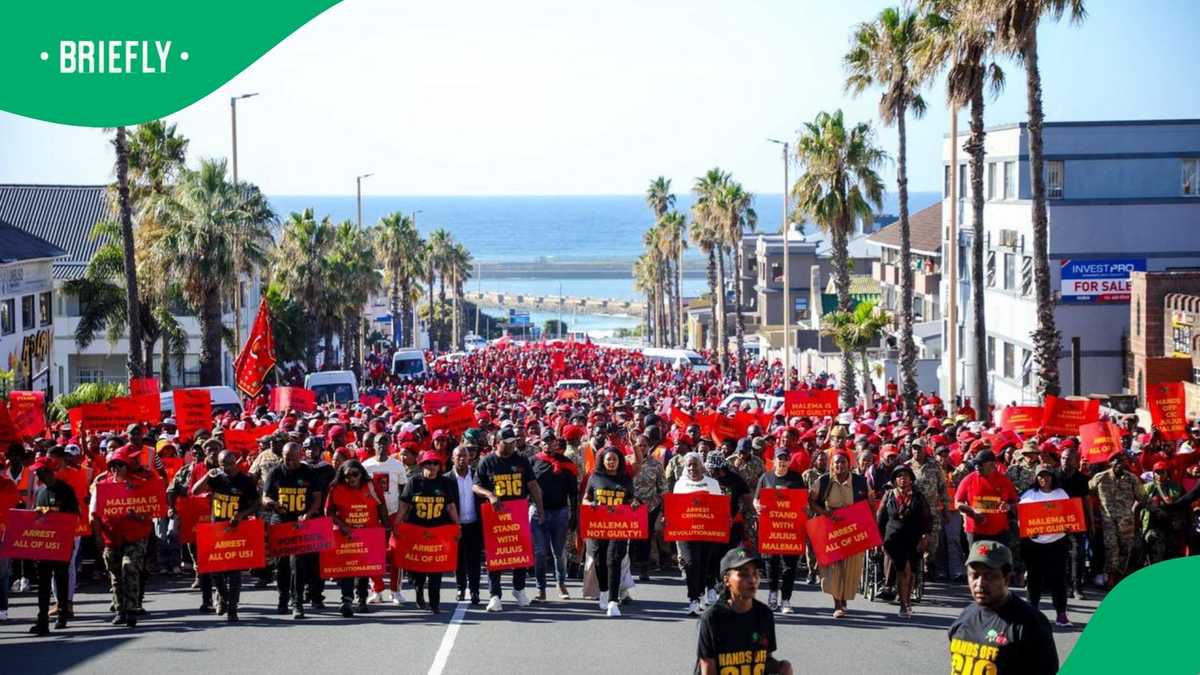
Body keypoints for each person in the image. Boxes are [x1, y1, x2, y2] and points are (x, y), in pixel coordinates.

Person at [948, 541, 1059, 674]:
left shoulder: (1030, 623)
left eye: (989, 576)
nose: (979, 584)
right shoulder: (965, 618)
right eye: (974, 575)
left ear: (1007, 579)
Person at [472, 426, 545, 611]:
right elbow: (475, 486)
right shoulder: (486, 462)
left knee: (519, 553)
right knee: (495, 555)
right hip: (495, 516)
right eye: (508, 443)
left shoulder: (521, 461)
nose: (512, 446)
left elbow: (533, 485)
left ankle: (519, 589)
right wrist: (490, 495)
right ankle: (495, 594)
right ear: (497, 443)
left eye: (514, 443)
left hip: (517, 513)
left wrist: (540, 509)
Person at [695, 547, 793, 675]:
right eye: (744, 574)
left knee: (785, 666)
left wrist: (782, 668)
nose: (752, 580)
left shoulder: (764, 614)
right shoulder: (712, 618)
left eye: (755, 573)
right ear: (726, 579)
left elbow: (765, 659)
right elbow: (708, 669)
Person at [190, 450, 259, 623]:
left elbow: (257, 503)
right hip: (217, 529)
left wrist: (242, 514)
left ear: (235, 462)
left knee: (235, 573)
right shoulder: (216, 477)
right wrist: (208, 475)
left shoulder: (245, 481)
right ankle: (222, 594)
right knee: (215, 570)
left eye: (229, 464)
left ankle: (232, 609)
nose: (226, 468)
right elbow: (195, 490)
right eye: (222, 465)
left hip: (237, 530)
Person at [92, 446, 156, 628]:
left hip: (136, 535)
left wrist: (139, 515)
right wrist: (97, 536)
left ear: (127, 466)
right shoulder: (102, 486)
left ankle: (131, 609)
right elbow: (95, 513)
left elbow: (151, 510)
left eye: (120, 465)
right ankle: (120, 610)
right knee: (115, 574)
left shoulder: (140, 484)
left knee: (129, 567)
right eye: (113, 465)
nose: (116, 469)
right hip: (112, 537)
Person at [262, 442, 323, 619]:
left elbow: (317, 498)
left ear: (300, 456)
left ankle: (297, 603)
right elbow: (265, 496)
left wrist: (309, 514)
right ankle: (283, 597)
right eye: (286, 459)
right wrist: (271, 504)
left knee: (297, 563)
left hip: (300, 523)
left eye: (293, 459)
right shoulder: (276, 472)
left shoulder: (309, 473)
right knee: (281, 564)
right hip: (280, 522)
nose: (289, 462)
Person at [810, 452, 870, 618]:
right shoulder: (823, 481)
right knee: (834, 567)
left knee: (851, 567)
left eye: (843, 462)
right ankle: (837, 604)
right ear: (832, 464)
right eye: (836, 463)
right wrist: (826, 513)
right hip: (831, 527)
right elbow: (811, 501)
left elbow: (869, 502)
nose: (839, 466)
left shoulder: (860, 481)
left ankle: (843, 598)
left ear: (849, 464)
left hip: (853, 528)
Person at [398, 451, 460, 613]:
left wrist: (457, 525)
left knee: (436, 568)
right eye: (428, 463)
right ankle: (419, 592)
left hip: (438, 531)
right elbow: (404, 505)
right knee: (418, 570)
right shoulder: (414, 482)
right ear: (422, 465)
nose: (432, 467)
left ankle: (435, 603)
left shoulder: (445, 482)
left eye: (435, 464)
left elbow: (450, 506)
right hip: (417, 530)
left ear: (439, 466)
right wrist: (397, 523)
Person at [327, 459, 387, 616]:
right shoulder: (336, 488)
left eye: (355, 474)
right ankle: (346, 600)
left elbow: (381, 505)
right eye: (347, 476)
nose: (351, 478)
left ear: (362, 474)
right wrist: (343, 526)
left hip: (368, 534)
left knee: (363, 569)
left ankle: (362, 600)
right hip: (346, 535)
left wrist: (387, 526)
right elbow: (329, 512)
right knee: (347, 568)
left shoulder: (371, 485)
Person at [582, 446, 637, 617]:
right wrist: (588, 504)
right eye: (608, 460)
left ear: (619, 461)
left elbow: (631, 498)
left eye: (614, 459)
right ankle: (604, 592)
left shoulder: (625, 479)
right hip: (598, 527)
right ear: (602, 461)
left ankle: (613, 601)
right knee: (599, 560)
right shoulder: (595, 477)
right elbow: (586, 498)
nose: (611, 462)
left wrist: (635, 503)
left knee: (614, 560)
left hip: (618, 527)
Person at [28, 457, 79, 636]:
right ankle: (42, 619)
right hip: (43, 544)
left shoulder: (65, 490)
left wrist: (53, 514)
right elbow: (35, 515)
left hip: (62, 542)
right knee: (43, 583)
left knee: (61, 578)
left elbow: (73, 515)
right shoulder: (40, 491)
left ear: (49, 471)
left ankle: (62, 614)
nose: (37, 474)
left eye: (40, 471)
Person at [1017, 465, 1072, 628]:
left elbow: (1070, 514)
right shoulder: (1029, 496)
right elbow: (1022, 520)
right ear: (1036, 478)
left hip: (1057, 542)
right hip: (1035, 544)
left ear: (1053, 477)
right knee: (1034, 579)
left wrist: (1068, 526)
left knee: (1059, 579)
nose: (1044, 479)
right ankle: (1032, 613)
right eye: (1040, 476)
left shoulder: (1061, 494)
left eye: (1047, 475)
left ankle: (1061, 613)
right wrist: (1027, 530)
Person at [754, 448, 806, 613]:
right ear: (774, 461)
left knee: (790, 566)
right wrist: (758, 507)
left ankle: (786, 599)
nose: (782, 462)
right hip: (771, 528)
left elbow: (803, 503)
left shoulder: (796, 479)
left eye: (785, 459)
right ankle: (772, 593)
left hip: (790, 529)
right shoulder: (766, 477)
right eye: (779, 459)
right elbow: (756, 500)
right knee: (771, 563)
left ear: (789, 461)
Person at [876, 464, 931, 618]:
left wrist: (926, 534)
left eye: (906, 476)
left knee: (912, 571)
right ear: (894, 480)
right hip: (893, 538)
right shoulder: (889, 495)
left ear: (911, 479)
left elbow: (926, 517)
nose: (903, 479)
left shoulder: (918, 496)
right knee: (903, 569)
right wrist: (879, 538)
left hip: (913, 537)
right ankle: (904, 605)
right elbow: (881, 517)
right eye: (899, 476)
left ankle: (907, 598)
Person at [530, 429, 578, 601]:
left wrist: (575, 514)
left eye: (551, 441)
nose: (548, 443)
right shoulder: (532, 462)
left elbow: (574, 492)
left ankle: (561, 584)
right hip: (537, 512)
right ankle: (541, 589)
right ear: (540, 443)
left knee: (559, 552)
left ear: (557, 443)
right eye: (545, 440)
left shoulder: (567, 463)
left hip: (560, 512)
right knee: (540, 552)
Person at [1088, 452, 1147, 588]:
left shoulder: (1132, 478)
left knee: (1125, 550)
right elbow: (1087, 494)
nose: (1120, 463)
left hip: (1127, 522)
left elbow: (1143, 498)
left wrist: (1155, 511)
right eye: (1117, 461)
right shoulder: (1100, 477)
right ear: (1110, 463)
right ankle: (1110, 576)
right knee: (1111, 548)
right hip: (1108, 521)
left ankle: (1120, 575)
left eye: (1123, 461)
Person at [674, 452, 722, 615]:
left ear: (701, 465)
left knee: (703, 564)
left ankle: (701, 592)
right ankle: (693, 599)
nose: (692, 468)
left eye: (695, 464)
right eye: (688, 465)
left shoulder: (712, 484)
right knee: (690, 563)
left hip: (707, 532)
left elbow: (719, 507)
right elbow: (676, 508)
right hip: (686, 532)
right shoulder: (680, 485)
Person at [362, 432, 408, 604]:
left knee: (397, 552)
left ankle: (395, 591)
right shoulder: (366, 466)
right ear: (373, 445)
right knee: (373, 554)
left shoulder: (397, 465)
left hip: (394, 513)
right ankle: (377, 590)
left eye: (384, 442)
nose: (381, 446)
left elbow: (404, 491)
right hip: (373, 515)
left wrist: (402, 515)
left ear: (390, 444)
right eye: (378, 443)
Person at [955, 448, 1019, 550]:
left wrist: (1008, 506)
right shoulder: (968, 479)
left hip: (1000, 532)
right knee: (977, 564)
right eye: (975, 464)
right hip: (976, 532)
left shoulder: (1004, 480)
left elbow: (1015, 502)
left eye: (980, 464)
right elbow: (957, 503)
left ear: (993, 465)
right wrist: (972, 512)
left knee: (1000, 564)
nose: (977, 467)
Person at [447, 445, 483, 605]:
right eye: (458, 456)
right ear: (452, 459)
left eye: (464, 456)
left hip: (474, 524)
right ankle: (461, 588)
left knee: (474, 560)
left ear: (470, 458)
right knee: (458, 560)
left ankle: (475, 591)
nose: (462, 459)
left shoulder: (477, 476)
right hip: (456, 526)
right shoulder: (446, 479)